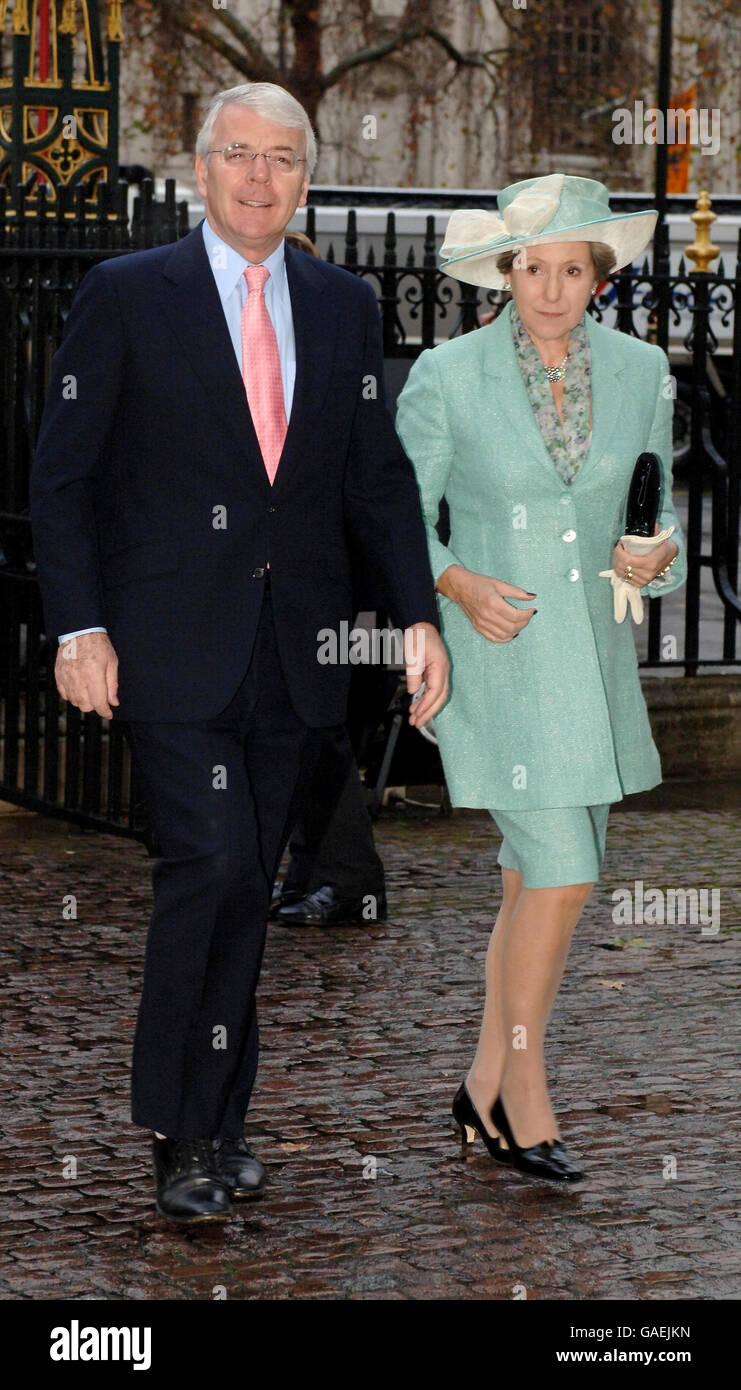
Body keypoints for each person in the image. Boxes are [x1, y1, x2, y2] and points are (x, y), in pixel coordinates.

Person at [30, 81, 449, 1224]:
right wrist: (79, 626)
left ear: (303, 178)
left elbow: (376, 480)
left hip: (294, 656)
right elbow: (61, 480)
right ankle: (177, 1131)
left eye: (282, 159)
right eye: (239, 156)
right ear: (201, 168)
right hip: (164, 649)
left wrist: (415, 615)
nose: (260, 178)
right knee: (208, 867)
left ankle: (219, 1116)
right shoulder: (125, 297)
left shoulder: (343, 303)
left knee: (247, 889)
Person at [396, 173, 686, 1183]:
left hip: (593, 669)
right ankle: (522, 1096)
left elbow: (654, 515)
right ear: (506, 272)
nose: (553, 287)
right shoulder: (448, 374)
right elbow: (395, 519)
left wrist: (654, 554)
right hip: (497, 658)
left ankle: (480, 1088)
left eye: (573, 269)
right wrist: (456, 584)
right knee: (563, 871)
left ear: (598, 278)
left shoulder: (645, 370)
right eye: (534, 268)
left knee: (533, 880)